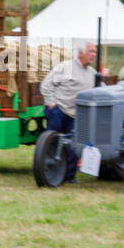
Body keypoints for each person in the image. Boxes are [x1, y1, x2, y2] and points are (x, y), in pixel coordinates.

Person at [40, 42, 98, 182]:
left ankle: (69, 176)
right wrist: (51, 103)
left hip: (78, 116)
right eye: (90, 51)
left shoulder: (93, 74)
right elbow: (46, 85)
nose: (93, 54)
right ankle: (46, 172)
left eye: (95, 52)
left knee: (74, 145)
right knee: (53, 141)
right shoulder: (66, 68)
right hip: (60, 110)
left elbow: (102, 90)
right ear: (81, 53)